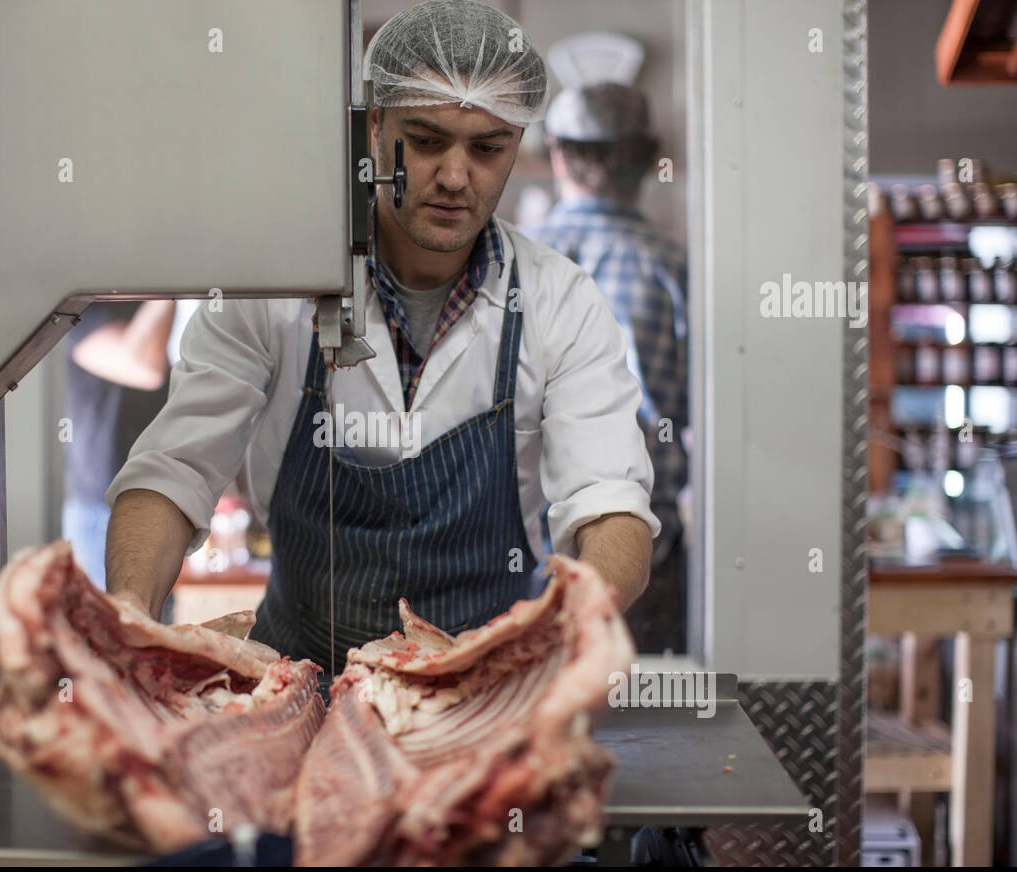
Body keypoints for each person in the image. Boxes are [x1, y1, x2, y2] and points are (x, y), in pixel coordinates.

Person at [104, 0, 659, 675]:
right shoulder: (277, 288)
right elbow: (173, 471)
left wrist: (568, 637)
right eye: (426, 140)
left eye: (488, 148)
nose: (456, 176)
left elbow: (608, 505)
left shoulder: (559, 302)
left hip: (483, 694)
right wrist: (130, 614)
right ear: (372, 126)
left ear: (518, 143)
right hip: (296, 687)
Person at [525, 82, 689, 655]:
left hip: (519, 552)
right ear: (646, 157)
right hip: (647, 554)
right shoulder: (676, 269)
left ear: (558, 154)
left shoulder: (508, 262)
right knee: (639, 728)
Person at [62, 299, 178, 590]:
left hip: (160, 499)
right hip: (101, 511)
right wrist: (169, 290)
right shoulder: (82, 306)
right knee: (110, 631)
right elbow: (144, 366)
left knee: (151, 630)